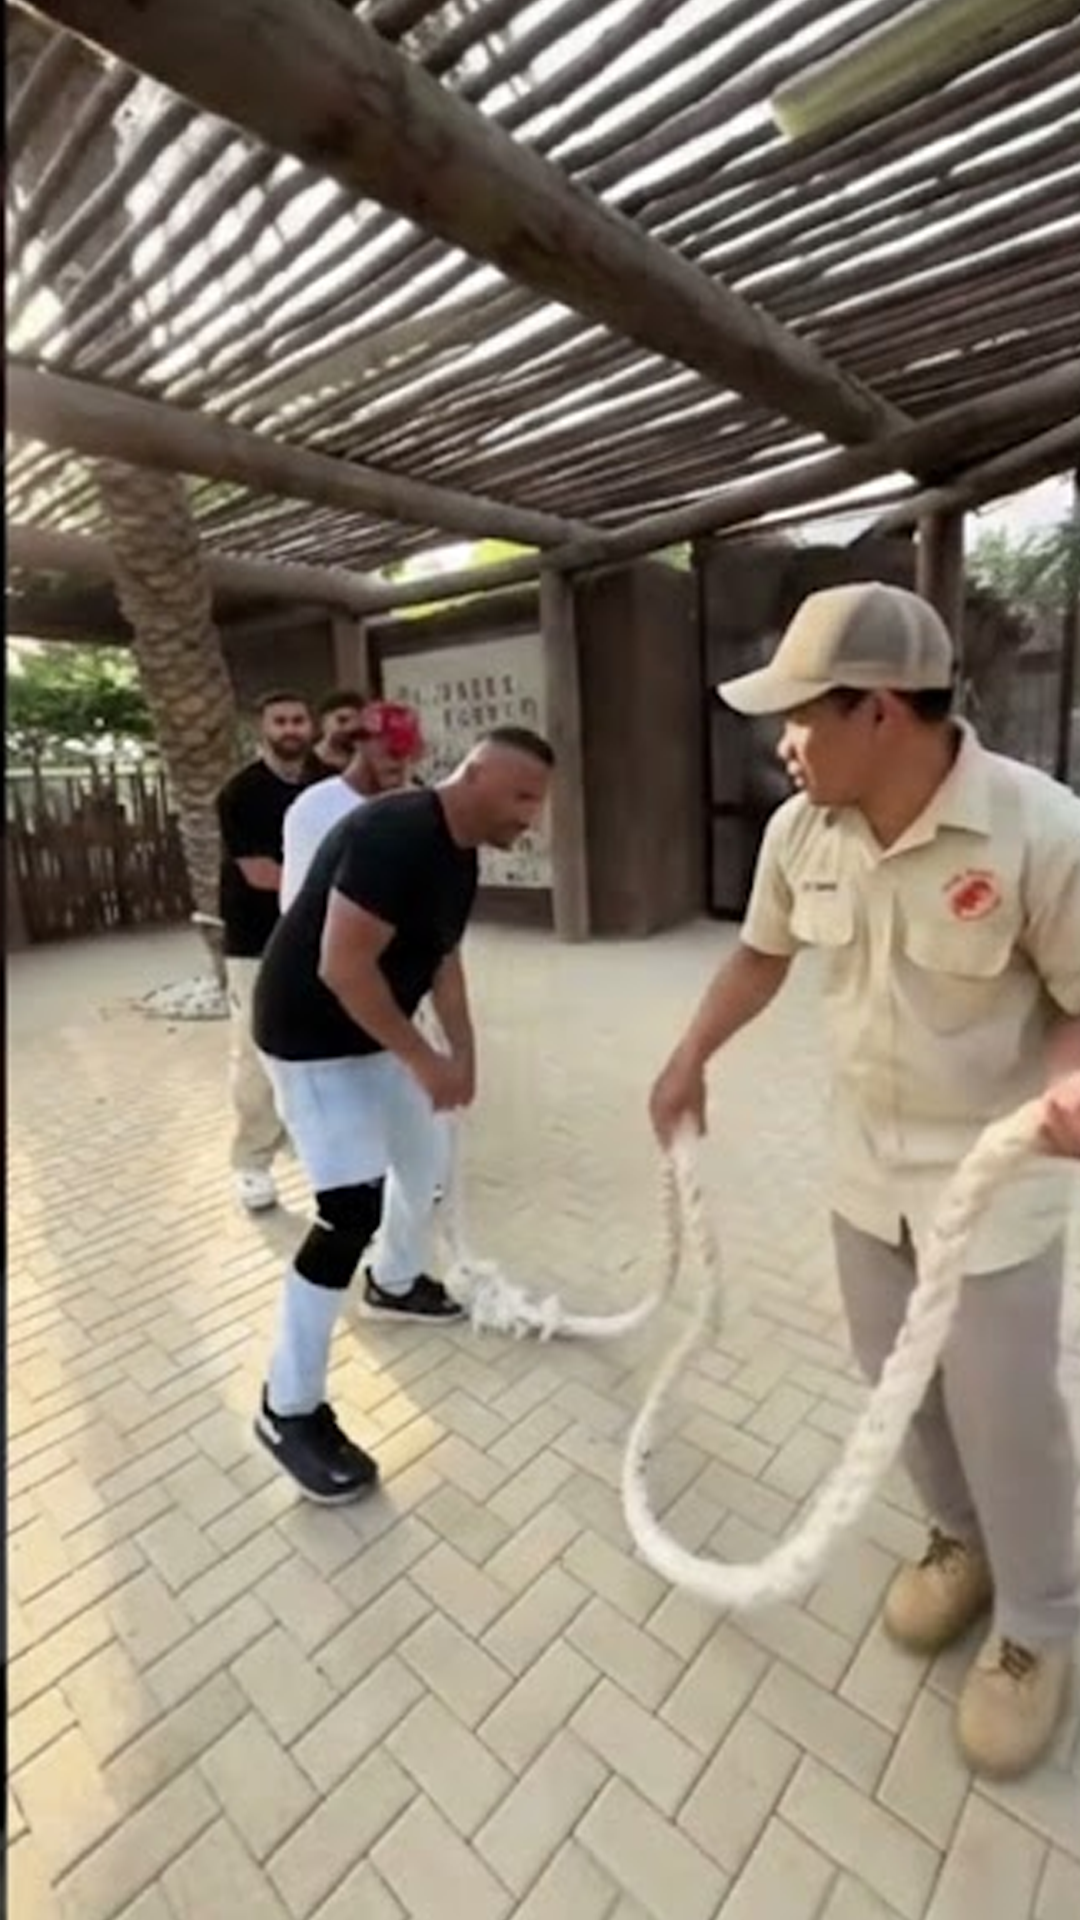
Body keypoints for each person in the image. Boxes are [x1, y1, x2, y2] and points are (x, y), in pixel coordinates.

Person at [649, 582, 1080, 1780]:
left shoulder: (1042, 833)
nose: (780, 741)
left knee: (1011, 1420)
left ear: (880, 712)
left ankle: (1040, 1626)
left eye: (798, 714)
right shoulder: (805, 833)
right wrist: (687, 1059)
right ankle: (959, 1545)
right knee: (900, 1390)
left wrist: (1070, 1086)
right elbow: (756, 956)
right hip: (863, 1176)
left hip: (994, 1191)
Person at [251, 725, 555, 1502]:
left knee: (427, 1163)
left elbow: (442, 957)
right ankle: (288, 1407)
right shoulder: (394, 835)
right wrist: (424, 1059)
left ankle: (394, 1282)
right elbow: (341, 966)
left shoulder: (458, 853)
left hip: (374, 1028)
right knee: (346, 1209)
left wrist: (465, 1051)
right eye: (523, 796)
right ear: (476, 774)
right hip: (310, 1038)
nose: (533, 817)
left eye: (540, 802)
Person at [217, 689, 315, 1212]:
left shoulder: (325, 783)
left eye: (299, 719)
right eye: (280, 721)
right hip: (256, 942)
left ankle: (301, 1134)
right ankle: (252, 1161)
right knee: (255, 1050)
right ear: (263, 730)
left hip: (316, 938)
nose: (291, 728)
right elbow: (259, 874)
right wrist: (333, 891)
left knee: (314, 1045)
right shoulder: (239, 793)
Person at [281, 700, 424, 910]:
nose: (399, 762)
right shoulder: (314, 807)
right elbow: (297, 903)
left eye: (407, 752)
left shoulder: (420, 807)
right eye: (390, 750)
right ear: (360, 743)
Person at [306, 687, 368, 782]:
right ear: (324, 719)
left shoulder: (362, 761)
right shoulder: (305, 760)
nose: (349, 728)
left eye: (357, 723)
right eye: (342, 720)